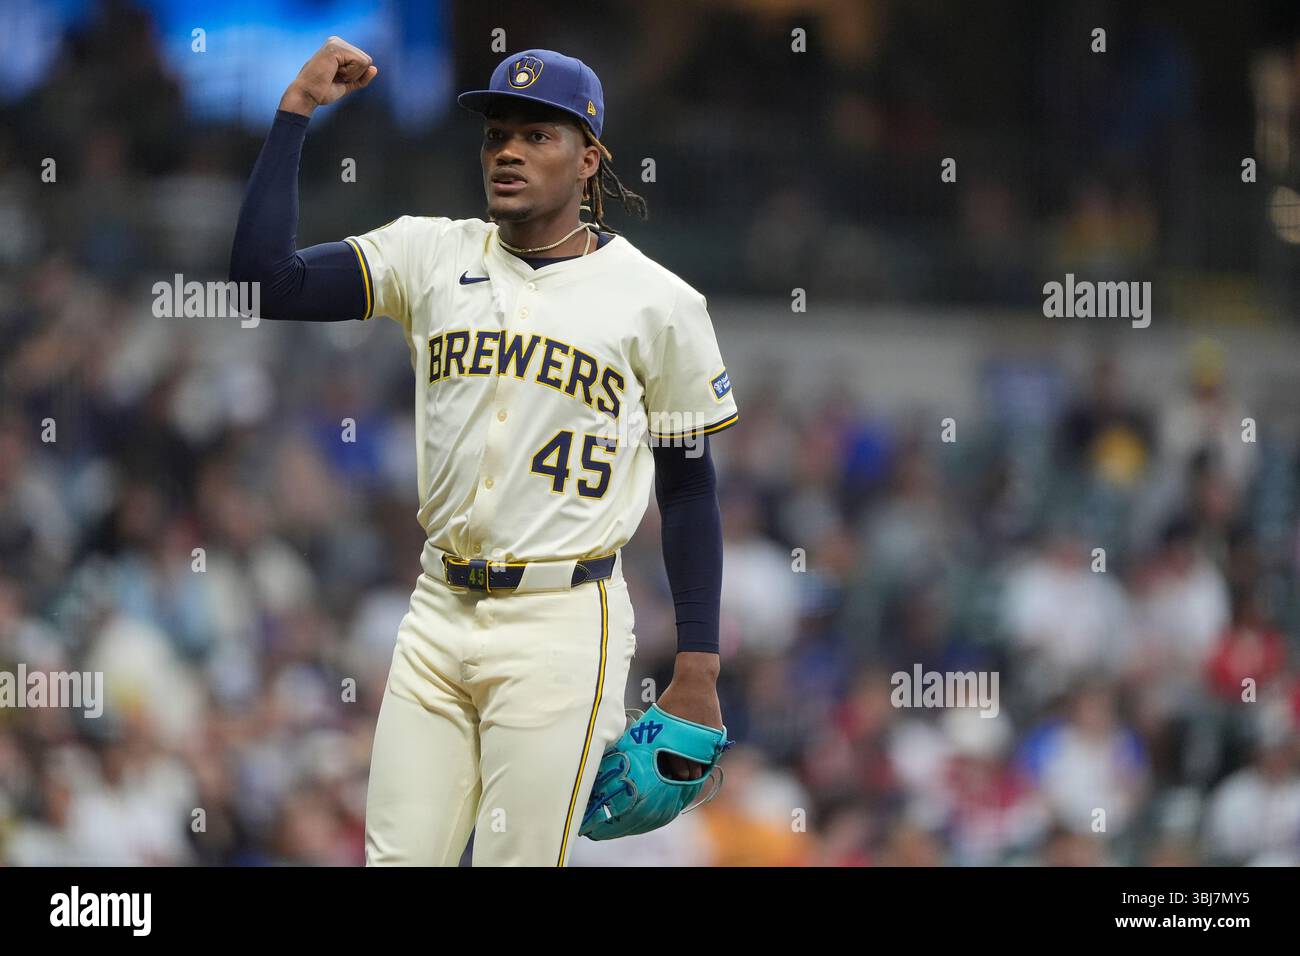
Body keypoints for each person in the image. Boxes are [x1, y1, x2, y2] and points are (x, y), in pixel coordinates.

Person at [228, 39, 740, 865]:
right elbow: (264, 279)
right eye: (498, 132)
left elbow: (687, 491)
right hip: (437, 610)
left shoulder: (660, 303)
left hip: (562, 621)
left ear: (588, 160)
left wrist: (699, 665)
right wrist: (296, 111)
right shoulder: (430, 253)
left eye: (539, 134)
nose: (508, 149)